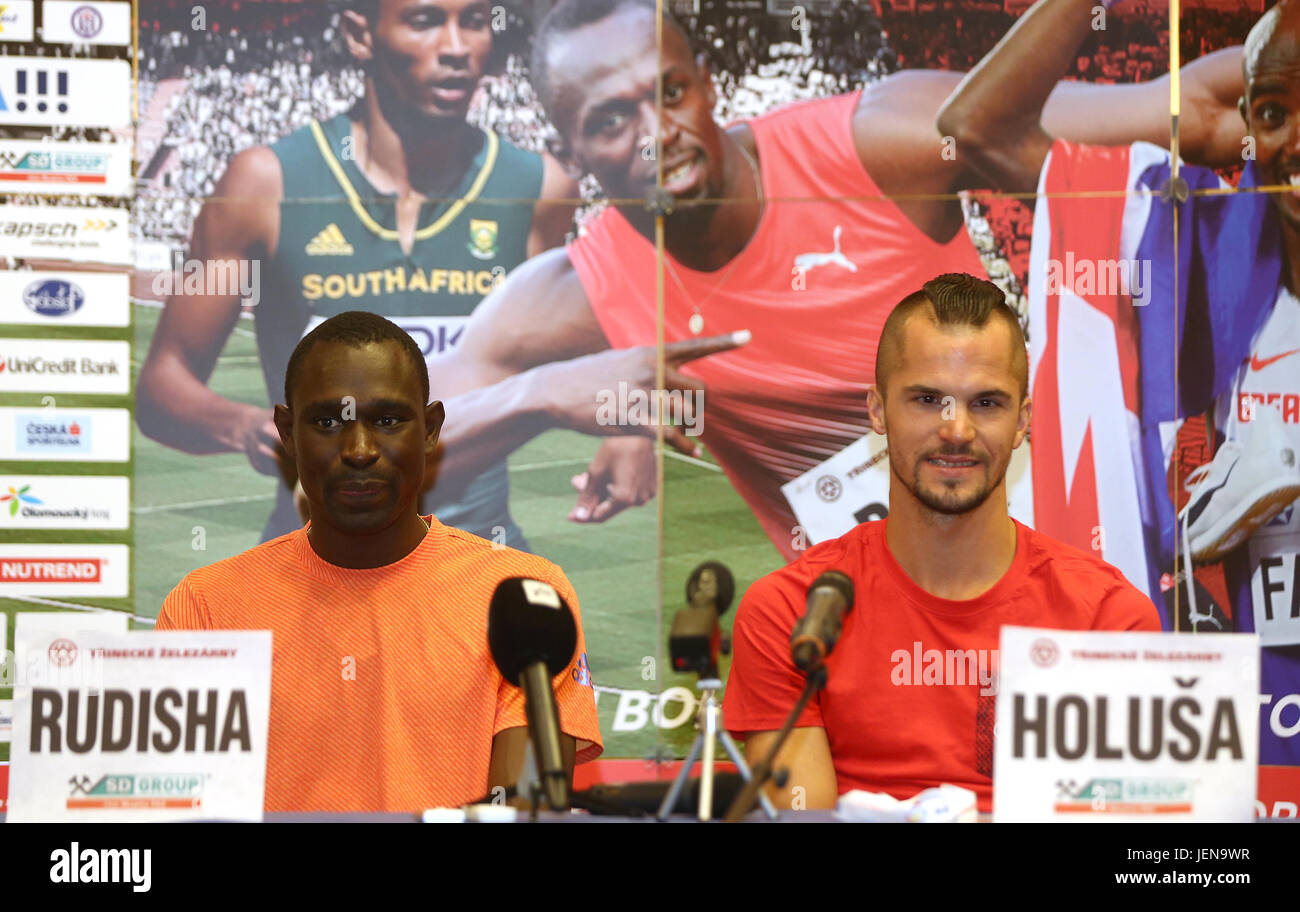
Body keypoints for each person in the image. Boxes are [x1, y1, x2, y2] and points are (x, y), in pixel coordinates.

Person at [417, 0, 1248, 560]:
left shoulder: (878, 146)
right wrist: (546, 394)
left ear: (707, 85)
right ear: (563, 154)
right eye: (611, 121)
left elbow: (1178, 108)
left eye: (670, 93)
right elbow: (378, 456)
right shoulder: (577, 294)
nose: (658, 134)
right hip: (868, 628)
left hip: (1051, 555)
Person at [938, 0, 1300, 800]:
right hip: (1232, 705)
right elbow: (974, 128)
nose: (1298, 140)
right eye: (1276, 112)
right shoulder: (1185, 252)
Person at [136, 0, 579, 550]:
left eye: (473, 22)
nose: (458, 48)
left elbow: (580, 355)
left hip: (477, 568)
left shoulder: (536, 189)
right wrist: (255, 430)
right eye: (424, 21)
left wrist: (627, 432)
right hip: (316, 569)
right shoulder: (263, 186)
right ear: (359, 34)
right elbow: (163, 385)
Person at [720, 274, 1161, 813]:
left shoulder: (1108, 620)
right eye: (929, 399)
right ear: (878, 410)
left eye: (987, 403)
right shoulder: (793, 615)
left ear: (1023, 420)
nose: (956, 430)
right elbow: (801, 815)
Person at [156, 312, 602, 813]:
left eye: (388, 420)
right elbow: (180, 807)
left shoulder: (524, 596)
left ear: (431, 428)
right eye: (328, 422)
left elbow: (525, 810)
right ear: (287, 431)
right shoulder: (206, 607)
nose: (360, 450)